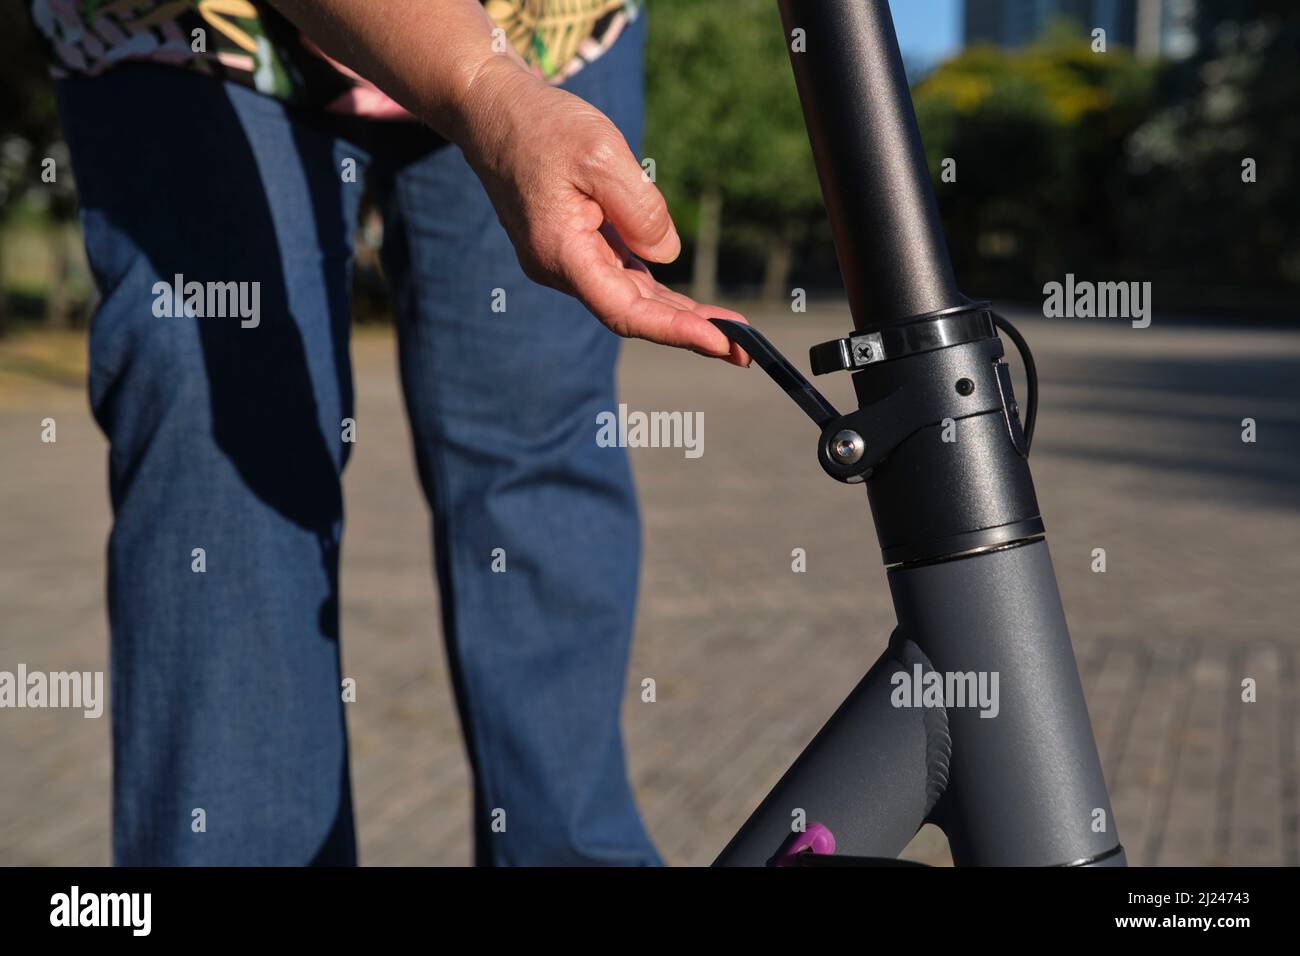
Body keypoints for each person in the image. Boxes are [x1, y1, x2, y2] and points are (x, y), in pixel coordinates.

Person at [29, 0, 749, 866]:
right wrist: (481, 84)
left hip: (542, 33)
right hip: (191, 35)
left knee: (538, 438)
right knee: (223, 455)